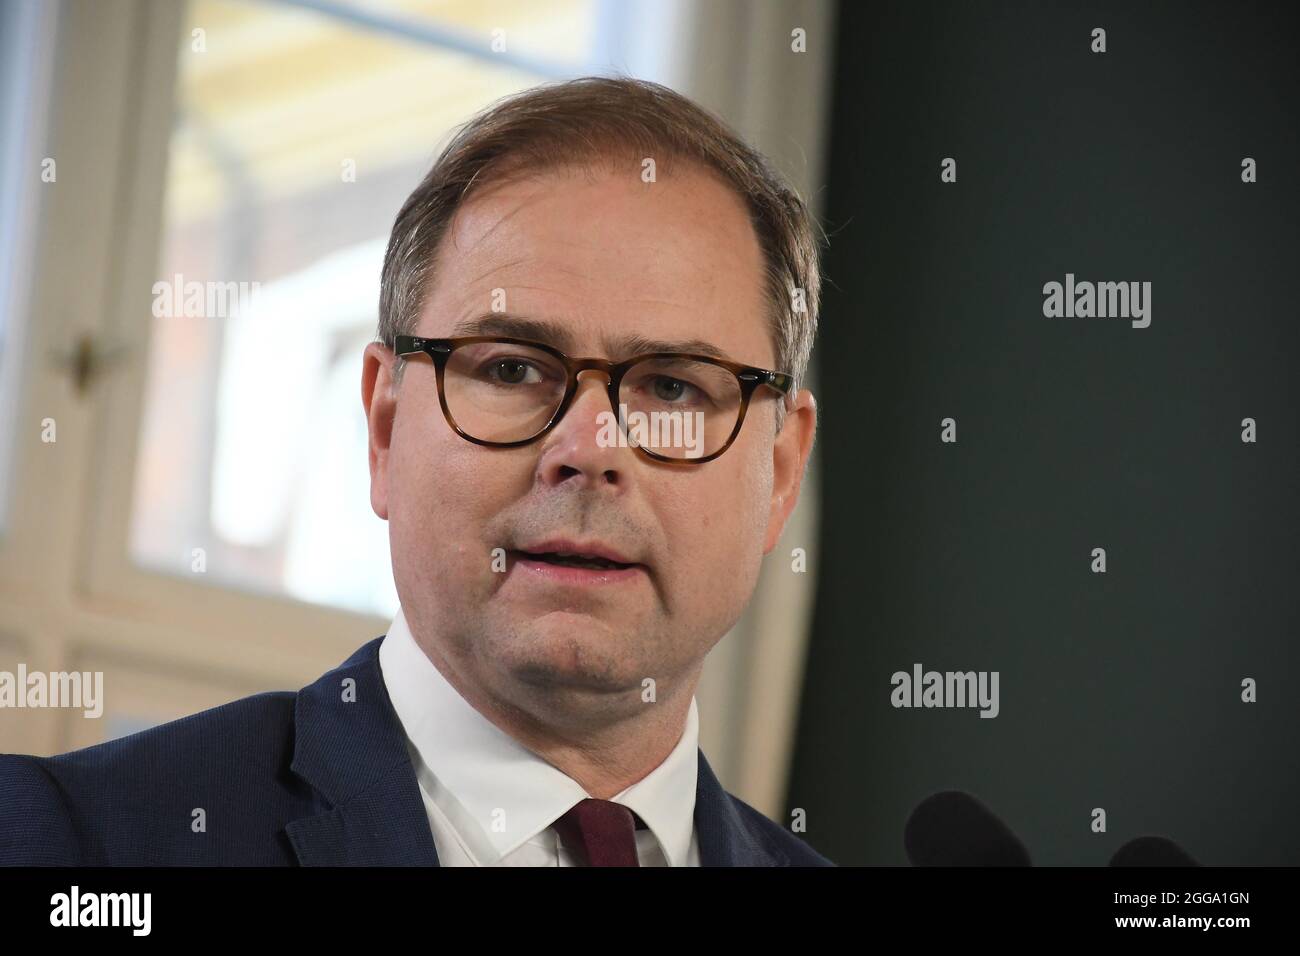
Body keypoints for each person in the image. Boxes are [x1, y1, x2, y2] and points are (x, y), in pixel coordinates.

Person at [0, 76, 829, 867]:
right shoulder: (64, 847)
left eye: (674, 385)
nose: (588, 449)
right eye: (510, 369)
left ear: (781, 473)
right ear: (386, 430)